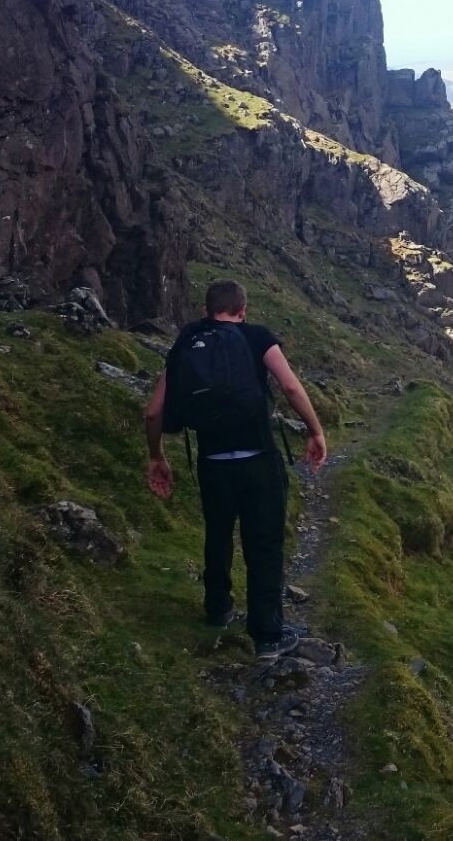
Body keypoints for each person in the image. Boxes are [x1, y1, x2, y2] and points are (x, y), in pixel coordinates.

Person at [143, 280, 328, 658]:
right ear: (243, 310)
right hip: (259, 460)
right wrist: (315, 430)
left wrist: (157, 456)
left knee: (218, 534)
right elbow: (291, 388)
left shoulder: (186, 343)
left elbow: (153, 411)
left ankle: (218, 609)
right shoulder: (256, 336)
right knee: (264, 544)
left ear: (206, 310)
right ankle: (267, 636)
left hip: (212, 465)